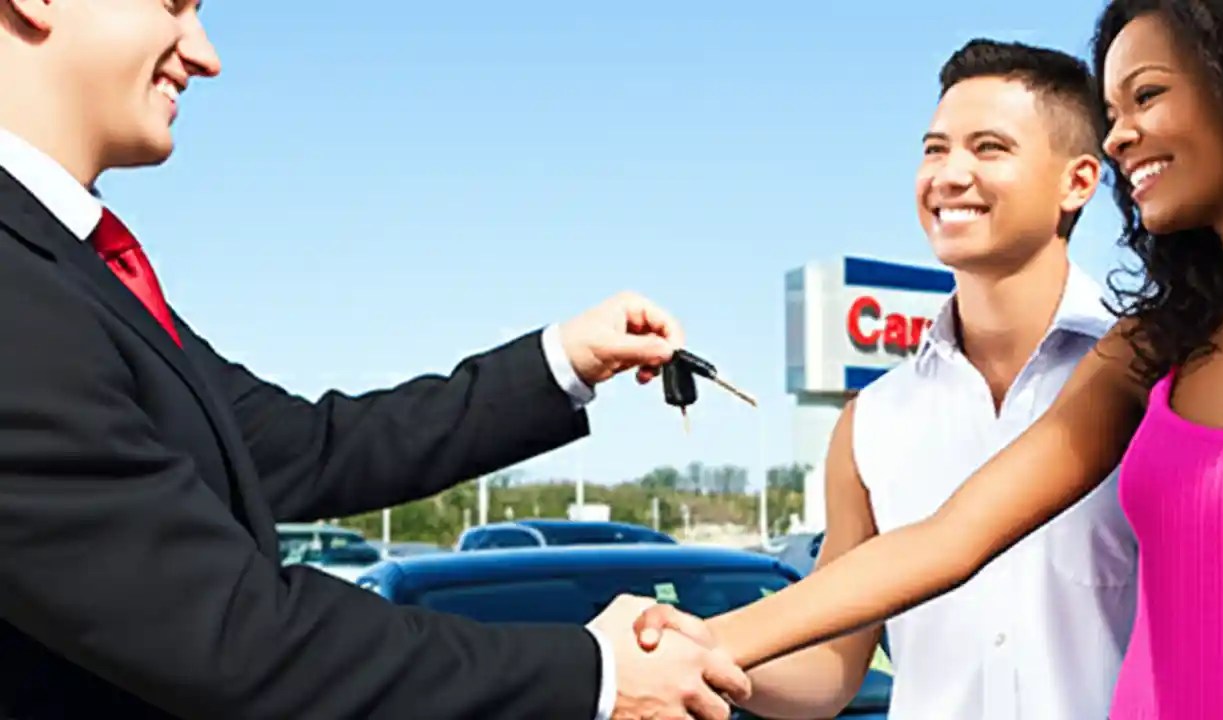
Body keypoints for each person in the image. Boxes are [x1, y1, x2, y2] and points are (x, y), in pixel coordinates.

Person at [0, 1, 748, 719]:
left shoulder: (74, 276)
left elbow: (307, 447)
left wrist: (563, 361)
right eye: (172, 4)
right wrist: (594, 674)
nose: (207, 55)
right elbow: (236, 635)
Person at [637, 1, 1223, 716]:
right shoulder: (1144, 351)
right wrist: (699, 642)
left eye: (1147, 96)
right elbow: (946, 542)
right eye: (934, 148)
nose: (1123, 132)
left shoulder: (1134, 351)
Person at [709, 38, 1137, 720]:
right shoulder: (872, 421)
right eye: (935, 149)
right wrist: (701, 659)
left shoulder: (1157, 380)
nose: (949, 174)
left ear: (1078, 181)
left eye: (989, 147)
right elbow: (831, 667)